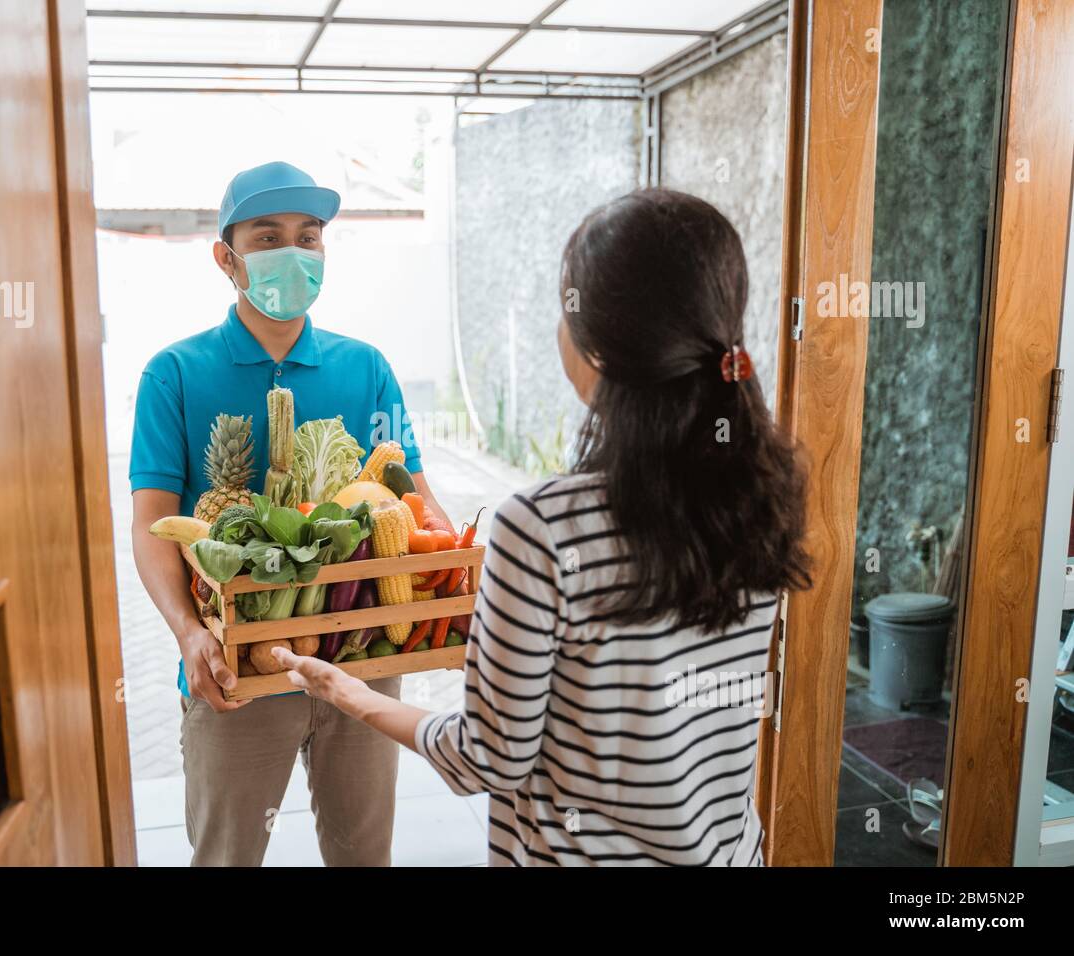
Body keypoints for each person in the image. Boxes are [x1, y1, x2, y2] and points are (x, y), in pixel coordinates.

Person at [277, 187, 812, 866]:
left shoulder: (542, 528)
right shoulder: (763, 493)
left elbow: (486, 761)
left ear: (598, 346)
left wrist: (349, 692)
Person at [130, 161, 452, 867]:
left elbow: (419, 501)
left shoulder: (366, 367)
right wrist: (190, 634)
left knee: (363, 853)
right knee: (227, 856)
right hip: (235, 667)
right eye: (269, 235)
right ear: (227, 257)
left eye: (309, 237)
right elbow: (150, 526)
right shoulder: (174, 374)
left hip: (362, 658)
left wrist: (450, 584)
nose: (295, 252)